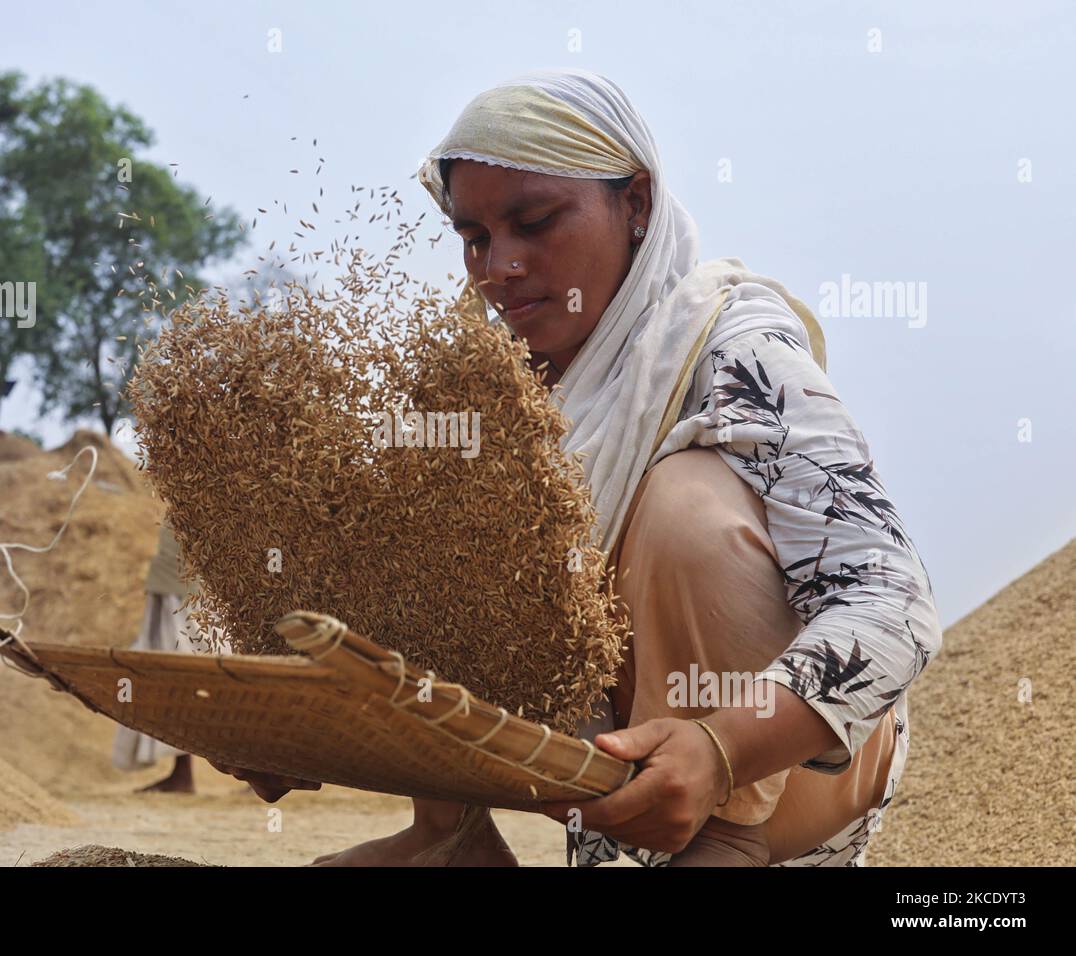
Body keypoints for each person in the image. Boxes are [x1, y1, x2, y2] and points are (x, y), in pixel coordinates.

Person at [218, 68, 942, 867]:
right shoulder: (495, 383)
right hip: (621, 791)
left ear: (636, 204)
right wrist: (298, 716)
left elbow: (892, 603)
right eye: (475, 237)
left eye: (534, 221)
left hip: (787, 775)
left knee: (685, 503)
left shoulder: (733, 347)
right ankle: (449, 838)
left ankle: (726, 836)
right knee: (433, 510)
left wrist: (721, 749)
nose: (501, 265)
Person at [113, 523, 201, 793]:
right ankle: (182, 773)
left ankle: (185, 775)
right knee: (172, 665)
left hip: (184, 585)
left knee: (179, 666)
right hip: (176, 577)